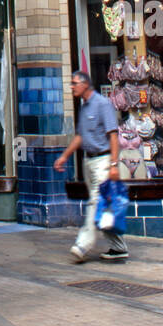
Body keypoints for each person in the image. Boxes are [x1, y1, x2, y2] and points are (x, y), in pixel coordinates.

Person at [54, 70, 127, 263]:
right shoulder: (84, 107)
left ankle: (82, 244)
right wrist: (64, 156)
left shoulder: (103, 104)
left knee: (95, 201)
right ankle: (118, 247)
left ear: (85, 84)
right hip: (89, 161)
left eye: (74, 83)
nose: (71, 86)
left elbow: (113, 136)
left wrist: (114, 165)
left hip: (103, 161)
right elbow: (79, 137)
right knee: (103, 205)